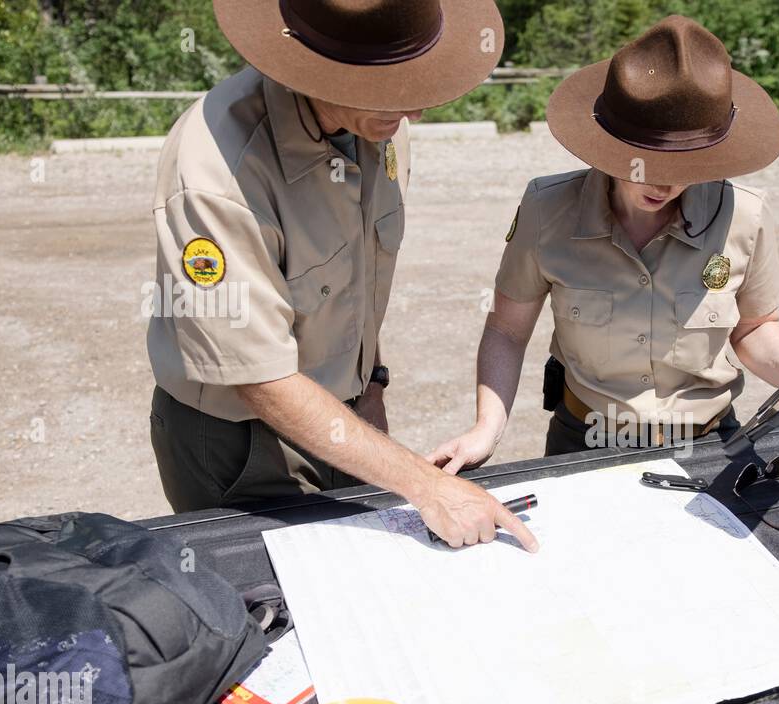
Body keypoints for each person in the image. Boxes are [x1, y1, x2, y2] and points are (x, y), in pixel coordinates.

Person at [145, 0, 536, 551]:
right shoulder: (217, 168)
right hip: (242, 446)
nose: (414, 112)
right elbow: (257, 376)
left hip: (344, 419)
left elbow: (356, 278)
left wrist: (370, 383)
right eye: (390, 88)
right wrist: (427, 487)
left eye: (416, 81)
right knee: (276, 620)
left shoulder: (382, 125)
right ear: (315, 66)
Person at [429, 15, 779, 470]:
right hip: (585, 442)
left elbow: (753, 327)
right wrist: (486, 430)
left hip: (707, 447)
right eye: (644, 159)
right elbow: (508, 330)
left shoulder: (744, 214)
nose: (664, 182)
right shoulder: (548, 210)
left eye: (686, 164)